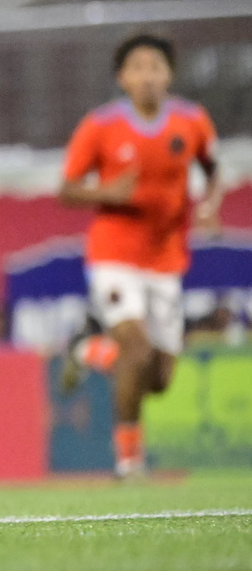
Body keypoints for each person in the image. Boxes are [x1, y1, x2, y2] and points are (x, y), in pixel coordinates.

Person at [56, 33, 221, 479]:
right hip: (114, 255)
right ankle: (128, 462)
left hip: (166, 260)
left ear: (169, 75)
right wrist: (106, 192)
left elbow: (211, 169)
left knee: (160, 379)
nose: (147, 76)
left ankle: (86, 348)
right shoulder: (101, 125)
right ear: (122, 79)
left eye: (156, 67)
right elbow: (66, 188)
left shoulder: (192, 121)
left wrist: (209, 204)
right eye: (138, 68)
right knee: (137, 349)